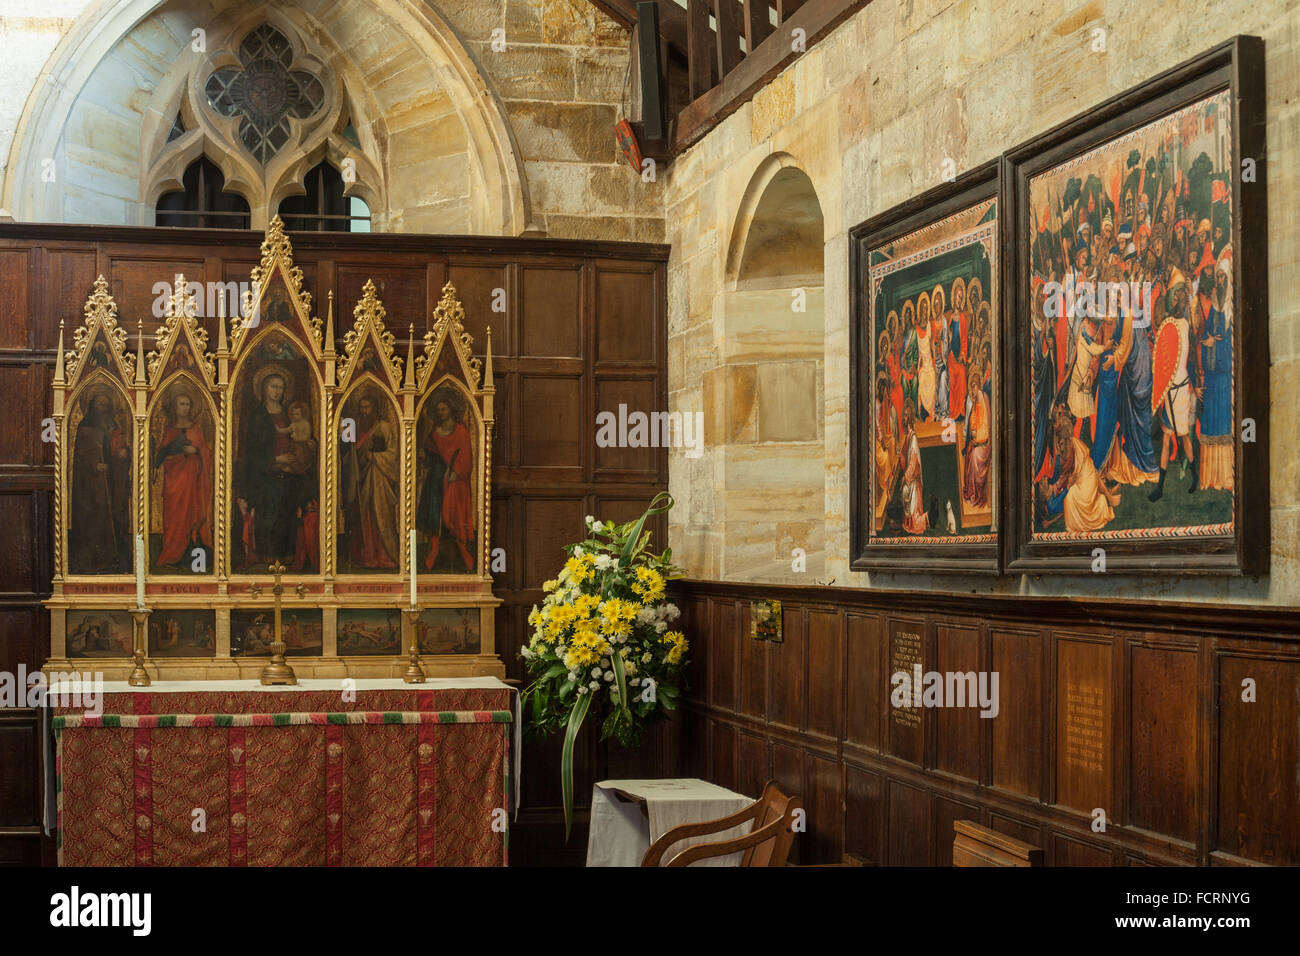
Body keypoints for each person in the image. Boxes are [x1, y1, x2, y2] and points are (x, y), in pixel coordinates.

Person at [237, 369, 315, 569]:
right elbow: (251, 451)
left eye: (280, 387)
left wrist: (304, 449)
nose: (277, 391)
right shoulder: (258, 416)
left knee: (287, 519)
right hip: (266, 477)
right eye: (273, 386)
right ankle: (265, 560)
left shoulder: (290, 414)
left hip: (289, 475)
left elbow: (300, 435)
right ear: (263, 388)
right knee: (268, 518)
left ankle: (287, 559)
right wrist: (275, 458)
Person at [70, 390, 132, 572]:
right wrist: (94, 466)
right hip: (92, 486)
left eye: (107, 405)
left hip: (113, 481)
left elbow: (119, 447)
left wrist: (124, 454)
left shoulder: (113, 425)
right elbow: (80, 456)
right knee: (95, 519)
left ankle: (115, 557)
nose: (104, 409)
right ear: (92, 407)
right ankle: (94, 558)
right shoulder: (85, 427)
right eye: (100, 405)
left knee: (115, 516)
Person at [152, 389, 213, 568]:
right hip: (175, 480)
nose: (185, 408)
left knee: (193, 513)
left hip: (194, 480)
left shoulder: (196, 429)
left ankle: (193, 557)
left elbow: (206, 453)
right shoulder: (169, 430)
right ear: (174, 407)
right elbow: (162, 455)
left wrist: (197, 452)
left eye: (187, 404)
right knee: (176, 514)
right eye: (182, 404)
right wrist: (177, 453)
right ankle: (173, 554)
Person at [340, 393, 400, 569]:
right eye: (362, 407)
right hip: (358, 478)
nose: (364, 411)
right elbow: (344, 450)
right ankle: (367, 555)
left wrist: (373, 456)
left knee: (380, 514)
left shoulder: (384, 427)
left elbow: (393, 454)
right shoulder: (352, 425)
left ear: (375, 409)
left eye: (368, 407)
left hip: (379, 479)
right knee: (362, 516)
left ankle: (384, 555)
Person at [418, 395, 476, 571]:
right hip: (435, 482)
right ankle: (433, 554)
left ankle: (466, 558)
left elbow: (466, 458)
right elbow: (430, 457)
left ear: (451, 409)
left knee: (454, 518)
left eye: (443, 409)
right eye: (438, 410)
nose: (440, 413)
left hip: (454, 482)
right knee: (435, 517)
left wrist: (456, 472)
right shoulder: (434, 432)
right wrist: (423, 456)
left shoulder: (460, 431)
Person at [962, 365, 991, 508]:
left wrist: (977, 440)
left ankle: (976, 495)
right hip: (978, 440)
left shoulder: (983, 398)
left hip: (984, 443)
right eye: (971, 385)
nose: (973, 388)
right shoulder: (975, 401)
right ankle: (969, 491)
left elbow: (985, 427)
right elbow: (973, 423)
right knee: (969, 452)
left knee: (974, 457)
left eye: (975, 385)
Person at [900, 405, 927, 535]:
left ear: (910, 418)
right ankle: (909, 523)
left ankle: (922, 521)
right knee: (905, 492)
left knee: (908, 494)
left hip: (913, 479)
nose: (904, 418)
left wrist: (906, 477)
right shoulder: (907, 436)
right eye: (904, 415)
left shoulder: (913, 437)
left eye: (906, 415)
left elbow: (913, 462)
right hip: (909, 475)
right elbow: (905, 459)